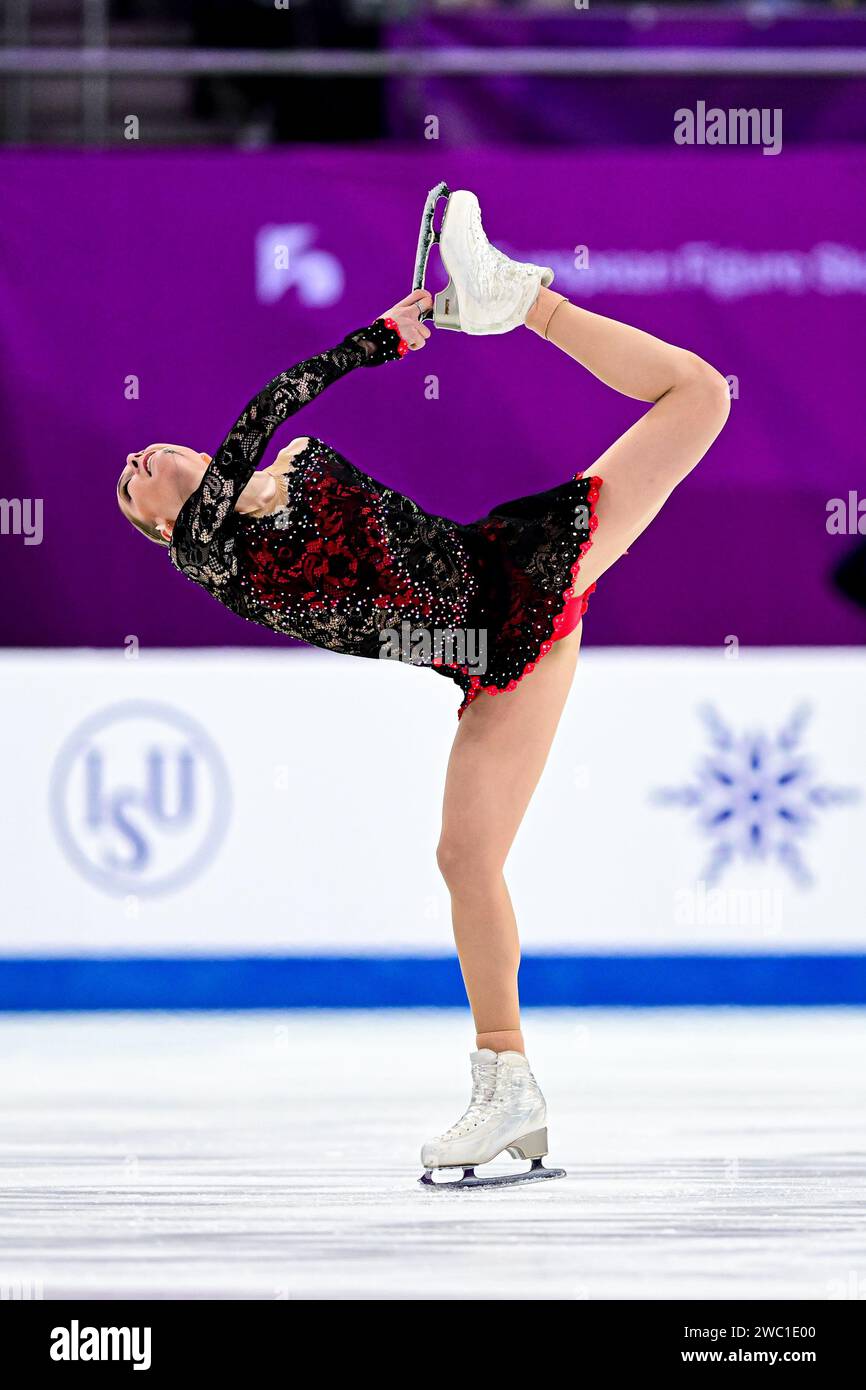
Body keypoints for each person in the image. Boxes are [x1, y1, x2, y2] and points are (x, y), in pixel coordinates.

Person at [117, 191, 730, 1187]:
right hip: (485, 657)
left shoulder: (278, 475)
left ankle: (519, 301)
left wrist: (400, 333)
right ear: (155, 527)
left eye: (142, 453)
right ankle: (507, 1081)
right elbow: (266, 404)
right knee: (463, 855)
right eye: (128, 484)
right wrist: (376, 342)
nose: (137, 462)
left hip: (512, 579)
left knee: (699, 394)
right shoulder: (205, 552)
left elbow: (265, 441)